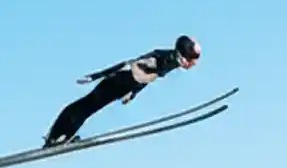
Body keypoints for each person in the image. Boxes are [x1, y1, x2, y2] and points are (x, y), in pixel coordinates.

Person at [43, 35, 201, 148]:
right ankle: (56, 137)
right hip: (118, 80)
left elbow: (147, 78)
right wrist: (96, 75)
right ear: (183, 55)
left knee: (89, 107)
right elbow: (128, 65)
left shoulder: (170, 62)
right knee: (87, 105)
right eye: (193, 59)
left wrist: (133, 93)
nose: (193, 64)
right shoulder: (165, 58)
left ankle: (60, 136)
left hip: (125, 85)